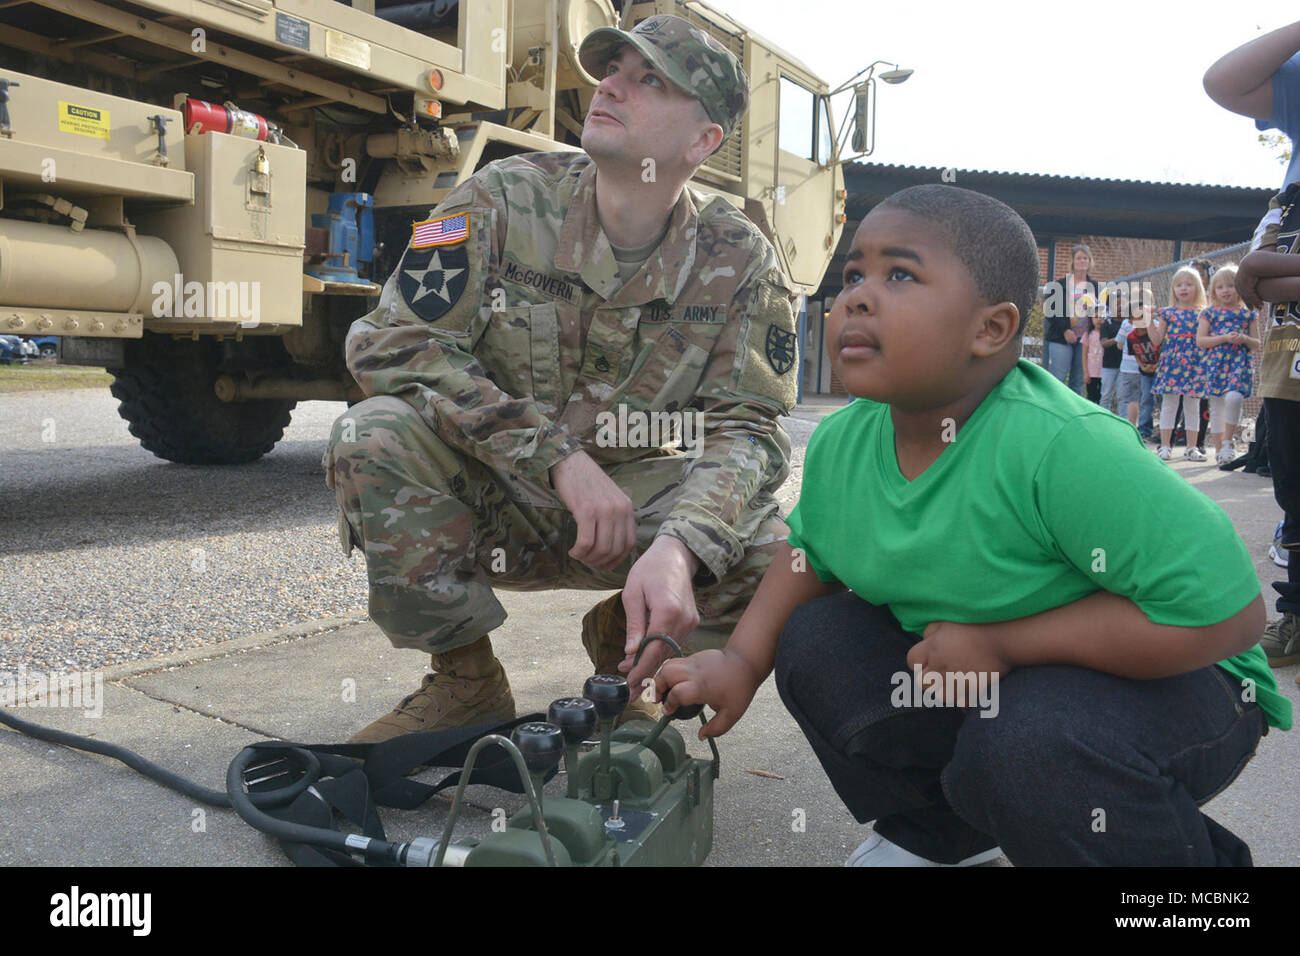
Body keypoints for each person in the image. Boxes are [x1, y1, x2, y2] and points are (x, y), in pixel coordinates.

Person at [654, 184, 1288, 866]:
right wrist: (743, 661)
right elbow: (810, 556)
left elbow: (1229, 621)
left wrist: (1004, 645)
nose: (857, 297)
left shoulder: (1062, 447)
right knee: (815, 641)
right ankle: (951, 836)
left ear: (991, 328)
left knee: (1027, 748)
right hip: (1009, 680)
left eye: (901, 274)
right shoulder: (845, 440)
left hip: (1186, 683)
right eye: (853, 275)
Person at [323, 14, 798, 743]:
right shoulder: (501, 198)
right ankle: (466, 684)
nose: (609, 85)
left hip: (631, 517)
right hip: (496, 495)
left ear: (704, 141)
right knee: (372, 433)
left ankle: (630, 658)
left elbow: (751, 430)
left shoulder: (742, 258)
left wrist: (679, 548)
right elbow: (389, 344)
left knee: (776, 554)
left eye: (649, 81)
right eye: (611, 68)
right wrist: (555, 457)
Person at [1205, 18, 1300, 669]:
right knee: (1294, 481)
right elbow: (1223, 81)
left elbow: (1260, 273)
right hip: (1291, 354)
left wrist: (1267, 270)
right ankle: (1296, 614)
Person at [1196, 265, 1260, 464]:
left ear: (1240, 288)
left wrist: (1243, 339)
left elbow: (1256, 343)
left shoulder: (1248, 314)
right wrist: (1224, 338)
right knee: (1216, 407)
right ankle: (1219, 451)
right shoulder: (1209, 313)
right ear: (1213, 291)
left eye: (1231, 286)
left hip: (1239, 365)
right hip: (1215, 365)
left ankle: (1227, 442)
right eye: (1220, 287)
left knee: (1233, 398)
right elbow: (1201, 340)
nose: (1226, 290)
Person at [1152, 266, 1210, 460]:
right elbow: (1157, 339)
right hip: (1172, 364)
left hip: (1195, 364)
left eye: (1189, 284)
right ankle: (1165, 446)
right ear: (1173, 289)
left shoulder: (1204, 313)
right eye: (1179, 285)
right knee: (1169, 404)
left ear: (1198, 288)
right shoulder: (1167, 313)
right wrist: (1145, 321)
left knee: (1192, 406)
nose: (1183, 288)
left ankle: (1191, 447)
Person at [1040, 245, 1098, 394]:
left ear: (1090, 261)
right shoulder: (1060, 285)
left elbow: (1101, 312)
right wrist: (1065, 329)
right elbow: (1050, 310)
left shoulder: (1095, 287)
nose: (1082, 261)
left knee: (1078, 381)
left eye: (1085, 258)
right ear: (1072, 261)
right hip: (1061, 337)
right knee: (1058, 378)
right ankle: (1053, 412)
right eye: (1079, 258)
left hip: (1084, 340)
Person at [1116, 298, 1159, 434]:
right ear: (1131, 320)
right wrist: (1142, 366)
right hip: (1144, 371)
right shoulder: (1131, 337)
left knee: (1162, 399)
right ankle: (1144, 429)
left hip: (1159, 370)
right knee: (1145, 398)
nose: (1142, 318)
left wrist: (1157, 365)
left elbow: (1163, 349)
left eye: (1144, 315)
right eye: (1138, 316)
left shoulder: (1155, 331)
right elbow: (1134, 353)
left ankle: (1164, 431)